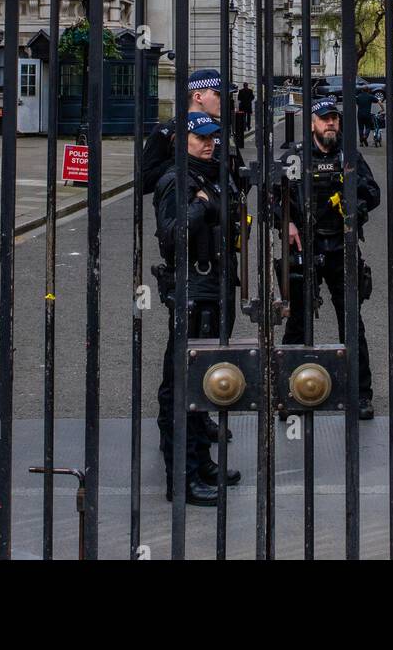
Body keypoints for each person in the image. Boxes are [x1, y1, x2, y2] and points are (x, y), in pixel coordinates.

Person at [153, 112, 243, 505]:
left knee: (205, 385)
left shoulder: (208, 175)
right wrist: (200, 207)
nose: (208, 144)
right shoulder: (176, 181)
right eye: (200, 138)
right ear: (181, 141)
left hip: (214, 288)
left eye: (211, 138)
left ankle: (203, 463)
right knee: (184, 387)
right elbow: (171, 237)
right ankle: (183, 479)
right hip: (193, 289)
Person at [274, 98, 381, 419]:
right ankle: (289, 392)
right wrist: (286, 221)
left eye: (334, 118)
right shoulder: (294, 158)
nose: (331, 123)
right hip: (303, 250)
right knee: (298, 322)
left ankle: (359, 394)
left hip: (342, 248)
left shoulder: (349, 157)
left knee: (350, 322)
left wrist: (353, 191)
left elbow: (373, 194)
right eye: (324, 119)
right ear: (312, 124)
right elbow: (271, 198)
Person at [141, 68, 238, 198]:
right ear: (198, 97)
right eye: (218, 95)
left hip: (222, 210)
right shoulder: (168, 131)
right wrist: (182, 159)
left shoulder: (221, 129)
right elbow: (144, 182)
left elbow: (237, 173)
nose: (224, 100)